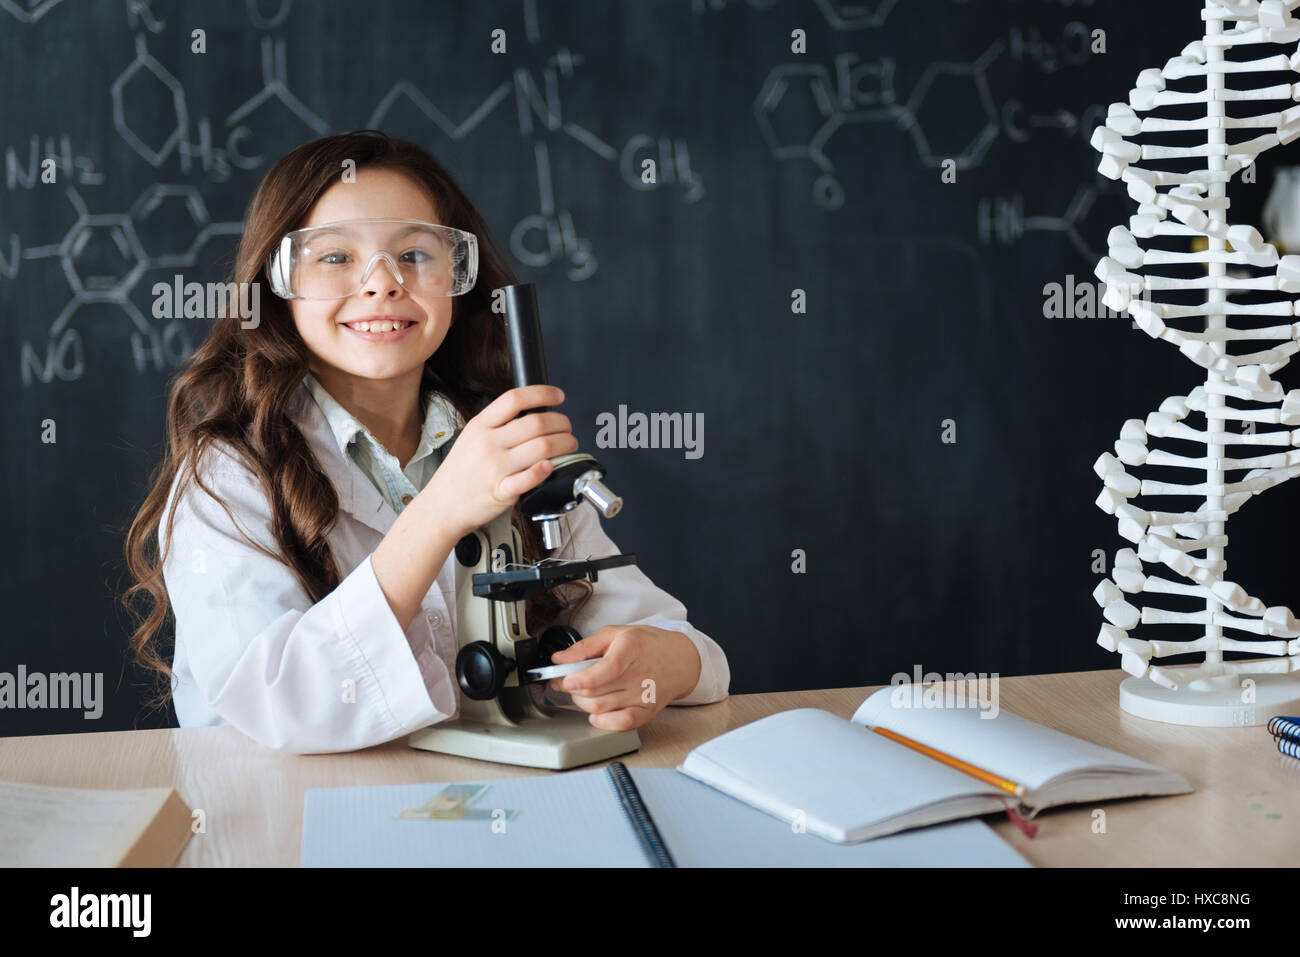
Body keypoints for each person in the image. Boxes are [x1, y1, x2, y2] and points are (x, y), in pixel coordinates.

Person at [123, 130, 729, 754]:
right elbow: (283, 707)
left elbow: (684, 647)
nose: (383, 283)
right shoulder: (227, 475)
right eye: (335, 258)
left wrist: (659, 663)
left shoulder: (500, 442)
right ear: (278, 283)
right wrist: (441, 509)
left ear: (458, 278)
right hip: (289, 816)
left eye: (414, 255)